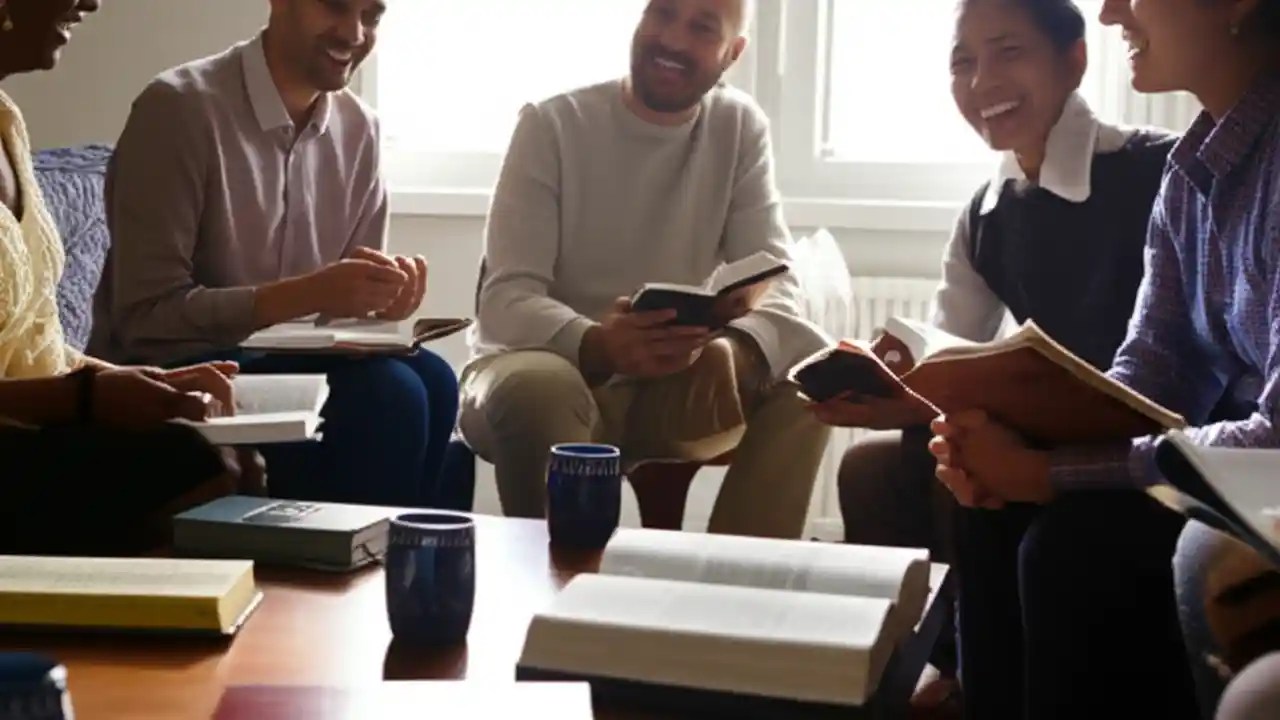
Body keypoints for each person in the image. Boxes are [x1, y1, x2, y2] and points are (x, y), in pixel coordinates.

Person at [808, 0, 1177, 711]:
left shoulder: (1159, 174)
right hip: (1045, 427)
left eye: (1008, 52)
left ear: (1074, 60)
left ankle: (991, 687)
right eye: (962, 61)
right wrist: (885, 392)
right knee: (882, 466)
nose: (981, 80)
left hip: (1147, 442)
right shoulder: (986, 212)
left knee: (988, 478)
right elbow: (954, 354)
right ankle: (947, 675)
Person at [928, 0, 1280, 717]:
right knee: (991, 506)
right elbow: (1148, 369)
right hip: (1219, 460)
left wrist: (1050, 471)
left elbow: (1273, 440)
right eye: (964, 59)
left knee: (1068, 548)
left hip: (1257, 468)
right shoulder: (1192, 175)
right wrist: (1017, 455)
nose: (1113, 8)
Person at [458, 0, 831, 538]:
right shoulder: (551, 124)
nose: (673, 41)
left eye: (702, 28)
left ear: (733, 52)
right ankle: (560, 594)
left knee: (815, 378)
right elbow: (504, 299)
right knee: (540, 389)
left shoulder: (738, 125)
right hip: (542, 369)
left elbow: (776, 277)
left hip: (672, 381)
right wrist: (599, 344)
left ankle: (742, 589)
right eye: (662, 13)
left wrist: (739, 346)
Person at [89, 0, 460, 508]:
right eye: (334, 6)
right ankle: (342, 574)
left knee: (435, 380)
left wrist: (380, 304)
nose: (353, 33)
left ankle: (392, 574)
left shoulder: (361, 131)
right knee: (390, 396)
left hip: (288, 366)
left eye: (372, 15)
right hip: (174, 371)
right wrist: (301, 294)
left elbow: (336, 317)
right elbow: (144, 319)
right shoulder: (179, 108)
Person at [0, 0, 261, 556]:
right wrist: (88, 399)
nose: (92, 2)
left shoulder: (5, 121)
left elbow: (34, 341)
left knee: (232, 448)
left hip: (39, 422)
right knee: (192, 465)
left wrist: (147, 382)